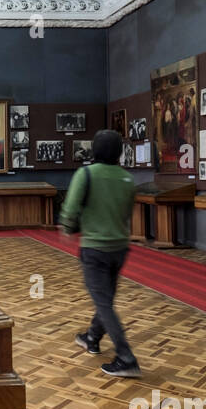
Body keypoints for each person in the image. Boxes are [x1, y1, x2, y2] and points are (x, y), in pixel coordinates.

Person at [59, 129, 140, 378]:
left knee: (104, 302)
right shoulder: (127, 178)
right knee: (106, 298)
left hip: (95, 248)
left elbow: (71, 209)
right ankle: (92, 337)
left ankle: (126, 357)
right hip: (119, 247)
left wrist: (68, 226)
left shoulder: (86, 174)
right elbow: (126, 212)